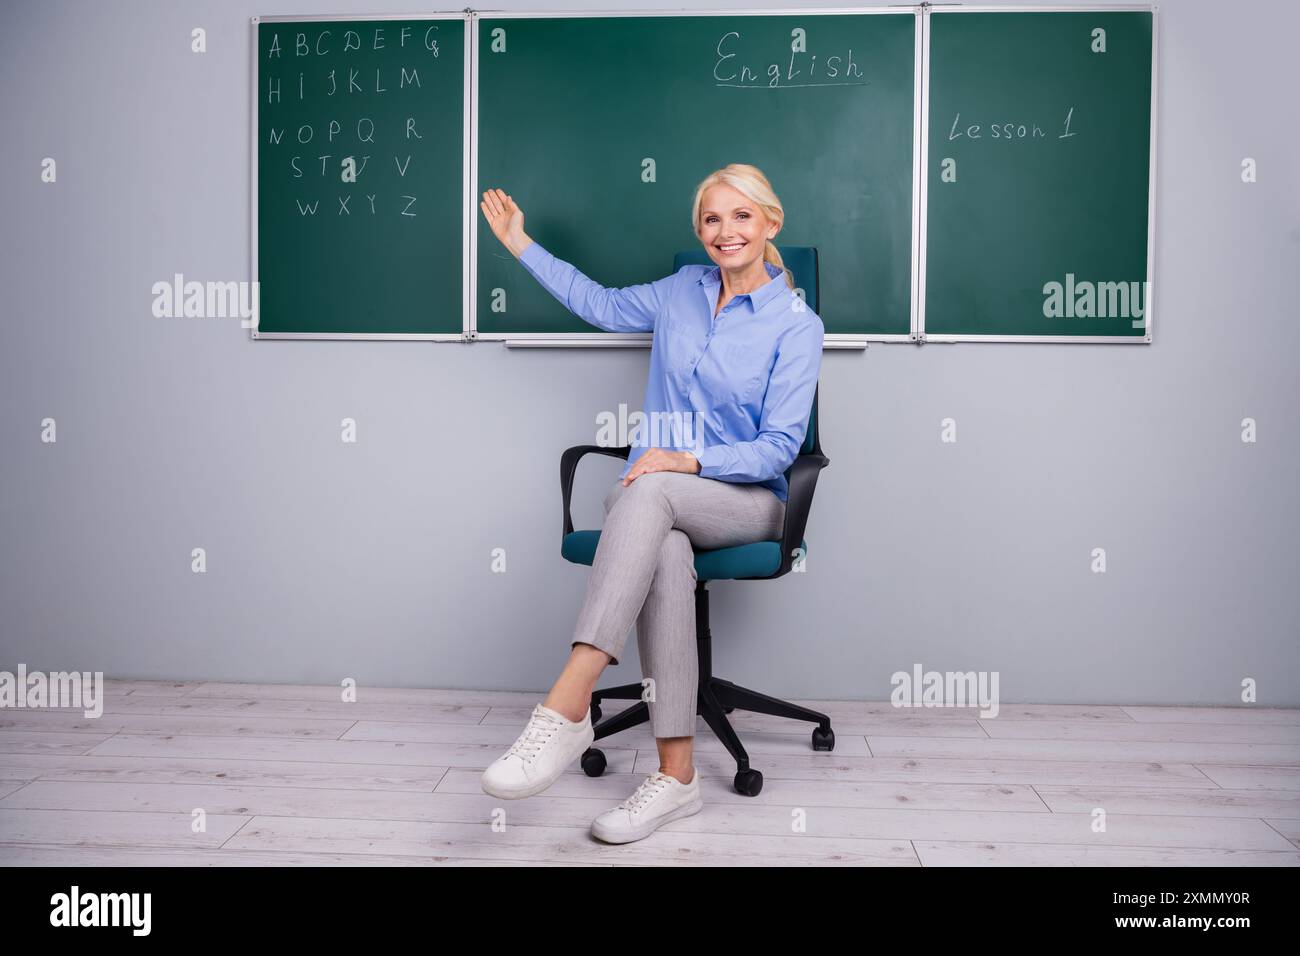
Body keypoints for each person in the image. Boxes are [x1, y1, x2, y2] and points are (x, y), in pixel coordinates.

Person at [477, 163, 824, 844]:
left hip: (749, 501)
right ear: (700, 231)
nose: (726, 232)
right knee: (660, 533)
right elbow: (601, 304)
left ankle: (567, 703)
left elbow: (781, 446)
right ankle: (677, 778)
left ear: (770, 223)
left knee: (651, 483)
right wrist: (521, 243)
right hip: (657, 499)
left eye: (742, 216)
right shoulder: (681, 291)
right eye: (712, 220)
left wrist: (690, 460)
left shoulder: (795, 324)